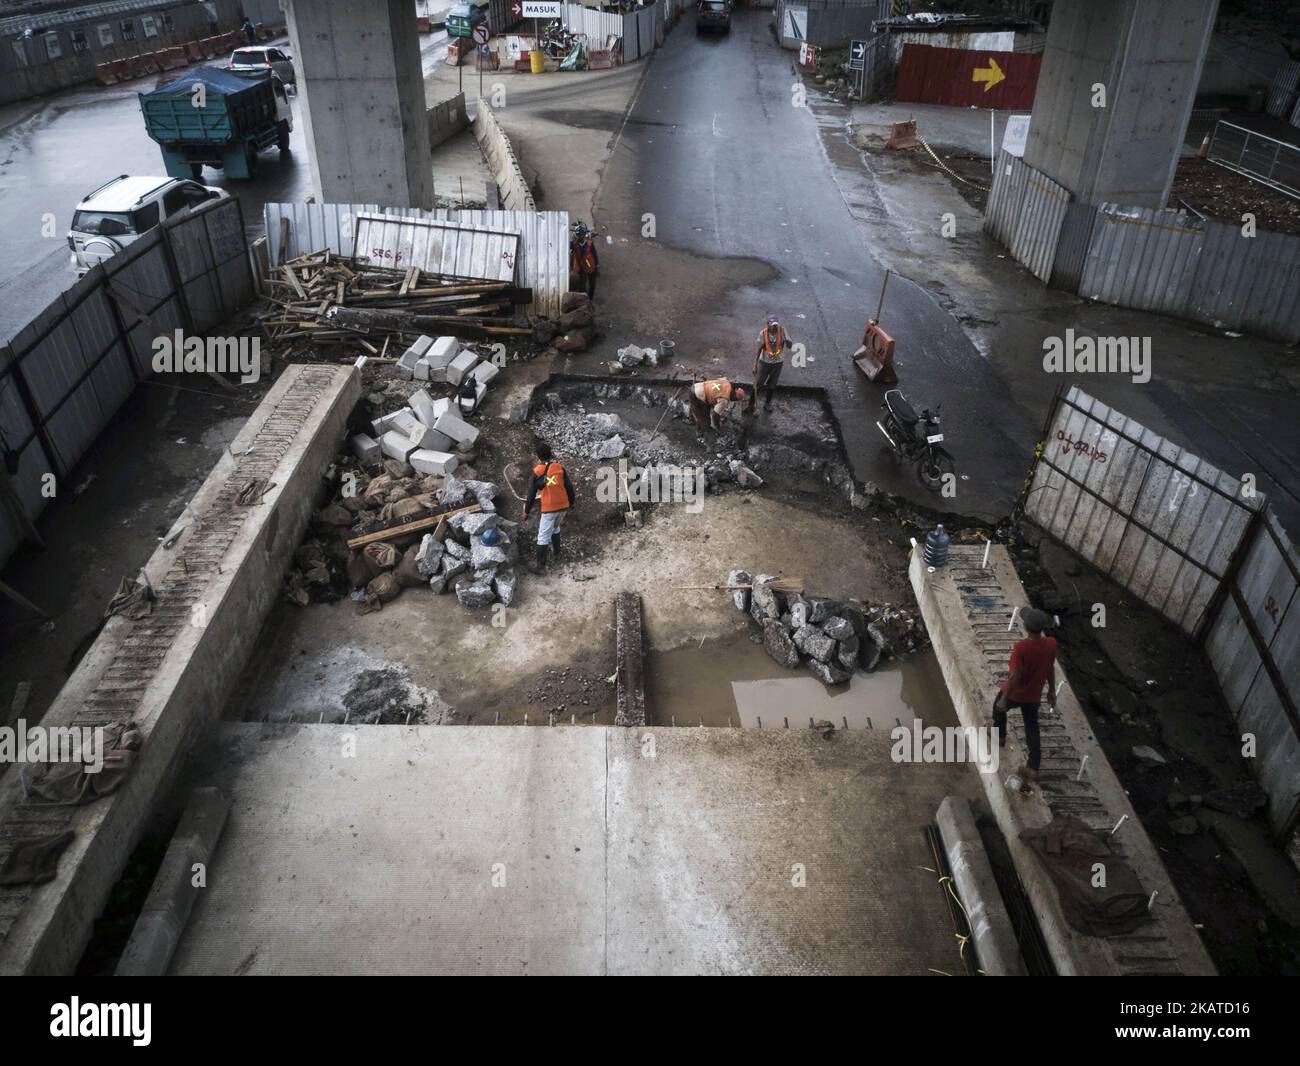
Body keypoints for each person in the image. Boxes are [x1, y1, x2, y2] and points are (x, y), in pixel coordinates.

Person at [993, 607, 1058, 782]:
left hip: (1016, 693)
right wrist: (1051, 690)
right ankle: (1033, 767)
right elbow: (1050, 668)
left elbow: (1015, 675)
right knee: (1031, 727)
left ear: (1026, 627)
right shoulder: (1051, 644)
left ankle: (999, 737)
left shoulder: (1021, 648)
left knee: (997, 708)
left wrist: (1005, 698)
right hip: (1034, 694)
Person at [522, 442, 576, 573]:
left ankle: (540, 567)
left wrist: (526, 512)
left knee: (542, 536)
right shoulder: (559, 467)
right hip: (563, 506)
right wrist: (571, 504)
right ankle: (557, 553)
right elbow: (569, 488)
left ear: (538, 456)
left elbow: (531, 495)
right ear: (550, 454)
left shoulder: (537, 471)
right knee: (555, 527)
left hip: (549, 508)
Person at [750, 314, 793, 413]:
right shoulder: (763, 333)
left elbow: (790, 346)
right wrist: (755, 365)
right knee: (758, 384)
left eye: (775, 325)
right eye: (772, 325)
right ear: (767, 324)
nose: (774, 327)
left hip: (778, 363)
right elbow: (759, 349)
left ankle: (767, 404)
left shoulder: (782, 331)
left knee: (772, 384)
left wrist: (787, 340)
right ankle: (751, 404)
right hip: (764, 362)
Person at [570, 222, 599, 300]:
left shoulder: (590, 243)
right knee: (582, 287)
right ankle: (584, 301)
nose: (581, 236)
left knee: (592, 285)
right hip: (581, 268)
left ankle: (590, 299)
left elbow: (595, 254)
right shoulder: (574, 244)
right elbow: (571, 254)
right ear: (577, 235)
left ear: (584, 234)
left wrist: (597, 266)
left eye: (582, 234)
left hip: (592, 267)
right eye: (579, 235)